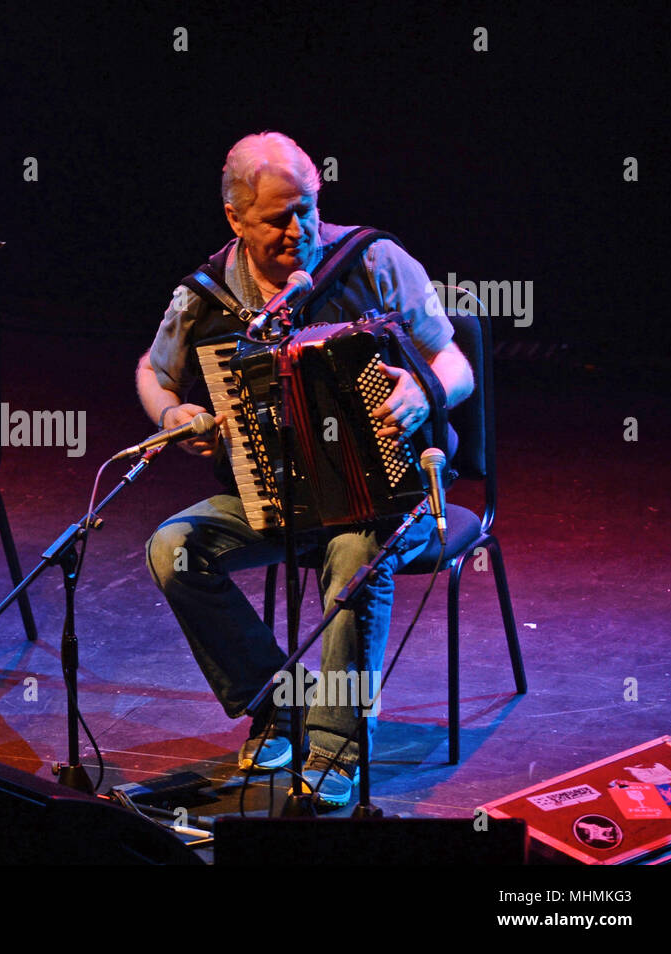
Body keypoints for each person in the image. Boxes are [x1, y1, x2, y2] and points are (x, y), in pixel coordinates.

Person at [137, 131, 474, 807]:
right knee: (172, 548)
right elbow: (153, 371)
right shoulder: (205, 294)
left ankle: (335, 744)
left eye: (308, 208)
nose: (299, 229)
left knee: (355, 553)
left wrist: (421, 391)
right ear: (235, 218)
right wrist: (173, 418)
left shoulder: (373, 260)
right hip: (272, 498)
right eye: (277, 218)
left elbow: (455, 361)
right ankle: (276, 704)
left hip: (387, 494)